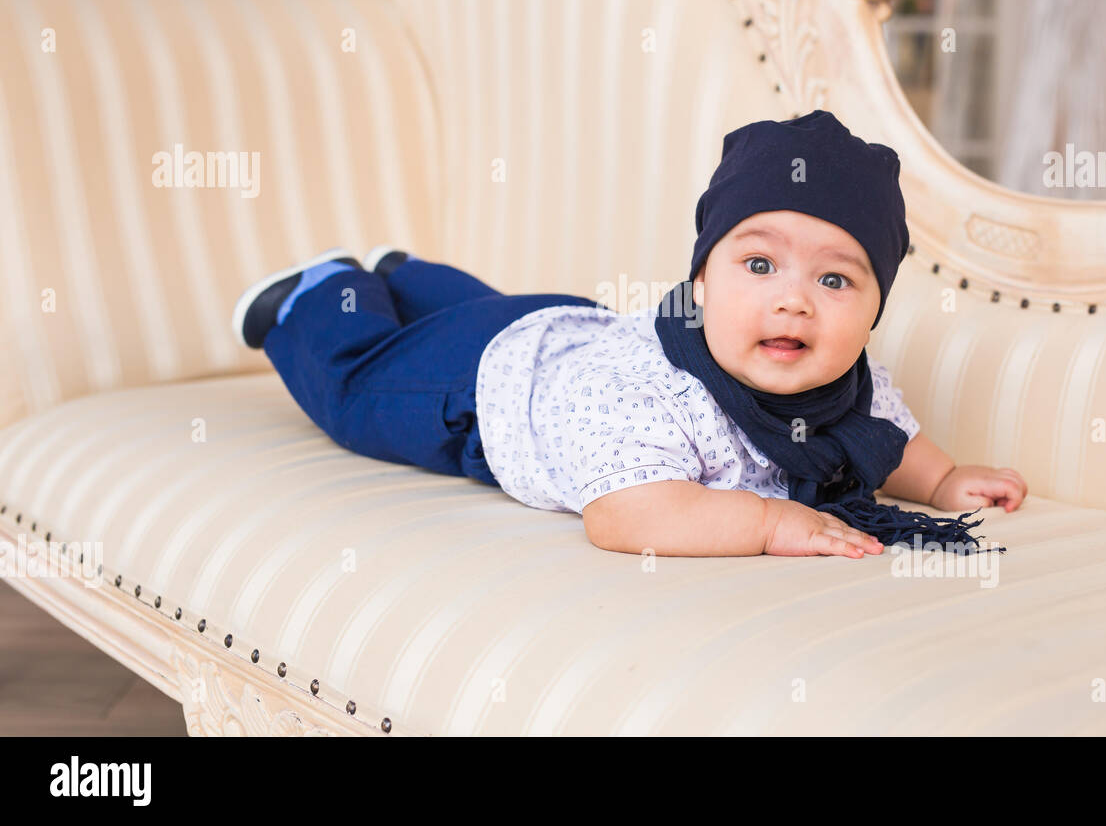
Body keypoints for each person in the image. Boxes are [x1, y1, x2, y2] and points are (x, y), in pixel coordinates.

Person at [232, 110, 1026, 560]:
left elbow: (894, 440)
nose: (795, 304)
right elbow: (623, 516)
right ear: (702, 282)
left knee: (484, 306)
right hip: (486, 390)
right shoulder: (657, 393)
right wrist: (768, 521)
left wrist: (946, 480)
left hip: (562, 329)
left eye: (834, 280)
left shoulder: (856, 389)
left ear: (873, 307)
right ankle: (326, 289)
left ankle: (404, 275)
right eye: (759, 264)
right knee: (359, 391)